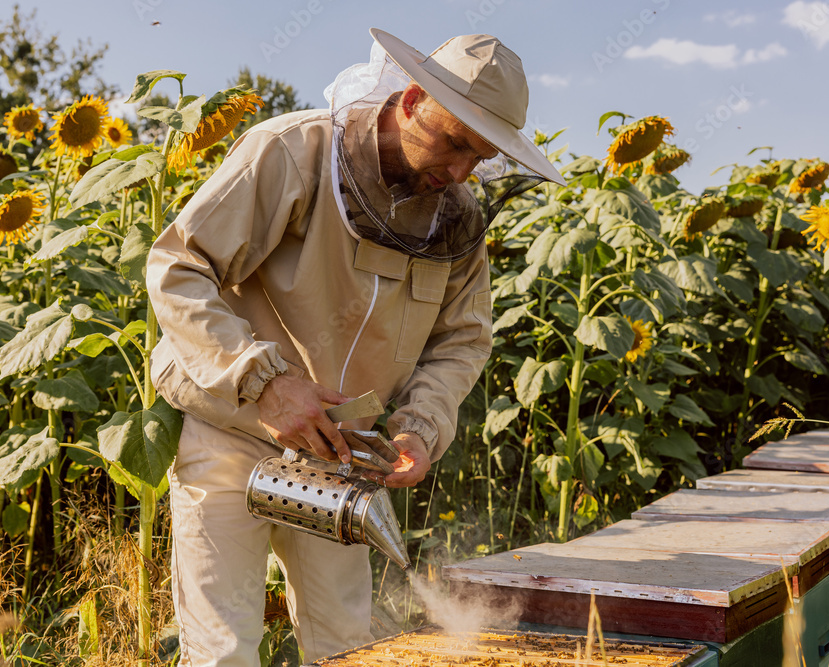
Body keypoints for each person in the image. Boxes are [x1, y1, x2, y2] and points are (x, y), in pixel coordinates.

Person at [146, 28, 565, 666]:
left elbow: (462, 340)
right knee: (224, 651)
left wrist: (420, 429)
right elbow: (178, 267)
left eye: (478, 158)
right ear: (412, 98)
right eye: (455, 142)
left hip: (344, 457)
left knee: (348, 648)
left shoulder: (457, 217)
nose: (459, 171)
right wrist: (265, 383)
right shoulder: (293, 152)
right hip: (231, 432)